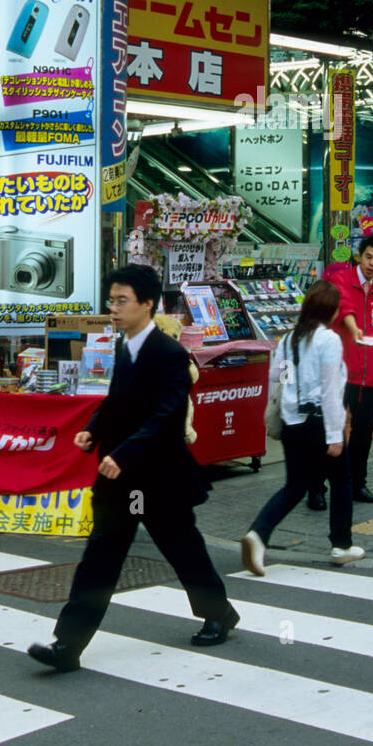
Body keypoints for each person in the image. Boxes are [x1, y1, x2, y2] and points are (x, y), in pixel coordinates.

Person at [28, 264, 238, 672]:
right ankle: (67, 645)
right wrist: (93, 430)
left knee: (183, 549)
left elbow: (165, 417)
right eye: (111, 300)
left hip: (159, 476)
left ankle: (219, 613)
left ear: (147, 304)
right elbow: (117, 402)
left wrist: (122, 453)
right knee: (100, 558)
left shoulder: (172, 355)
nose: (113, 308)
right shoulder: (124, 347)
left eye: (122, 301)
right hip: (119, 478)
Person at [241, 280, 364, 574]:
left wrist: (291, 405)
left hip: (292, 422)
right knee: (342, 481)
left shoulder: (288, 340)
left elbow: (278, 378)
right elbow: (331, 390)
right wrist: (336, 435)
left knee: (295, 485)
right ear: (332, 311)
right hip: (321, 423)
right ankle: (341, 545)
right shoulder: (329, 340)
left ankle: (258, 534)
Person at [327, 235, 373, 504]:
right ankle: (317, 488)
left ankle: (357, 485)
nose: (371, 264)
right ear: (359, 255)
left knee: (363, 431)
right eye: (368, 257)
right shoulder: (341, 279)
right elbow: (345, 308)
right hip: (339, 370)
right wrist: (354, 329)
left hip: (369, 374)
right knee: (330, 428)